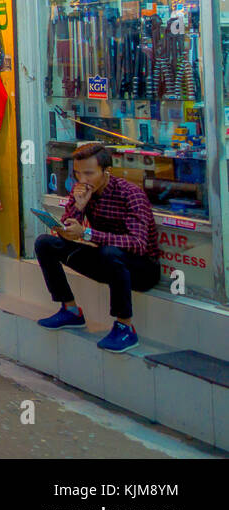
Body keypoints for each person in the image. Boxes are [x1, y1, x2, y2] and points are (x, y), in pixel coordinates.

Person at [34, 142, 161, 353]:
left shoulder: (130, 194)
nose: (83, 180)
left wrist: (87, 233)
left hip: (141, 268)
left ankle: (125, 326)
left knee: (110, 252)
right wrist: (78, 208)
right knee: (45, 243)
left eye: (89, 173)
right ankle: (70, 310)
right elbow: (69, 229)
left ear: (106, 171)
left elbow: (138, 244)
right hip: (107, 261)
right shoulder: (82, 192)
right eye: (77, 174)